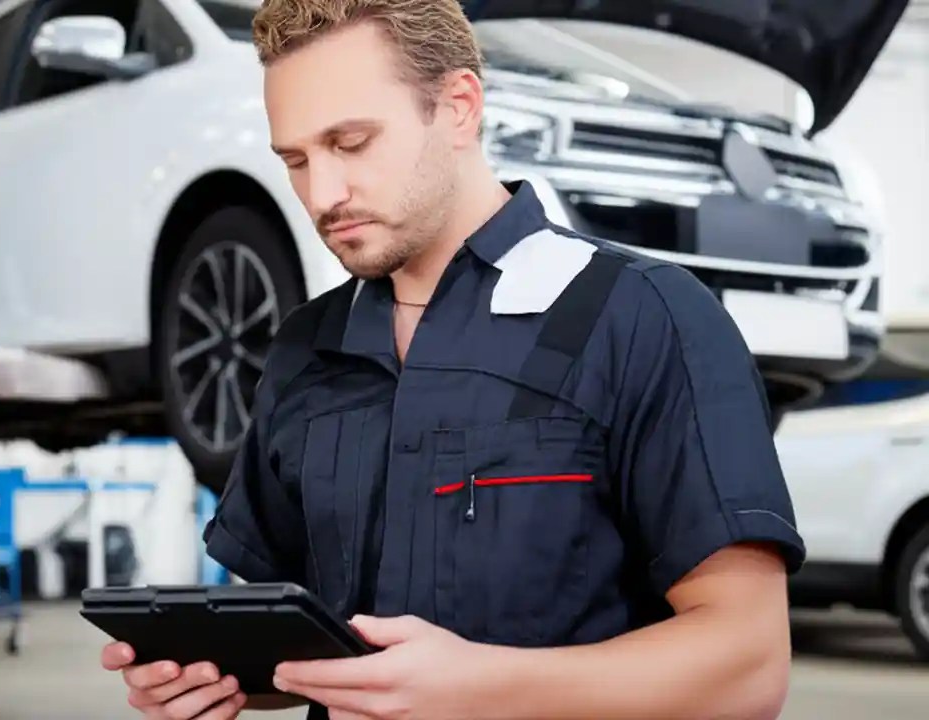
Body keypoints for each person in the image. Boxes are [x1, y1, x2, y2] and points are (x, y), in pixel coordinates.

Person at [101, 0, 806, 717]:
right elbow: (311, 643)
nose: (322, 194)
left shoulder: (645, 318)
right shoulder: (307, 348)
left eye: (351, 143)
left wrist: (480, 688)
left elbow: (746, 664)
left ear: (459, 107)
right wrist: (220, 677)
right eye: (296, 159)